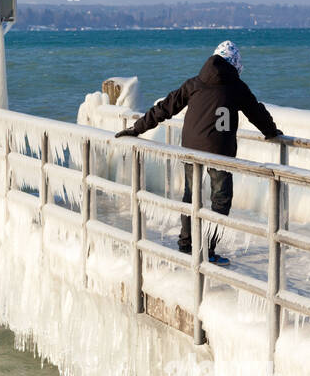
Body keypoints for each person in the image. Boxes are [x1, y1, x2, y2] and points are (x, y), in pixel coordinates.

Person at [115, 40, 282, 263]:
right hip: (220, 152)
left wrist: (136, 128)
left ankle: (185, 244)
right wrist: (272, 132)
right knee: (221, 199)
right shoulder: (236, 87)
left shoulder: (194, 83)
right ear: (235, 65)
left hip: (191, 148)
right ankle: (207, 250)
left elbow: (165, 108)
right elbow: (256, 112)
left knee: (191, 195)